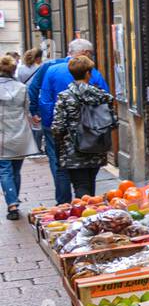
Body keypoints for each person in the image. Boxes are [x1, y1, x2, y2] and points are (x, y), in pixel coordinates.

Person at [29, 38, 106, 206]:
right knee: (88, 168)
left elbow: (42, 95)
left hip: (59, 129)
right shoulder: (95, 75)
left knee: (60, 165)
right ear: (86, 54)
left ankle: (63, 202)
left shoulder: (52, 70)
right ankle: (86, 201)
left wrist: (45, 118)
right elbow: (106, 105)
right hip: (89, 132)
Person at [50, 55, 116, 200]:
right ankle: (90, 211)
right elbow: (113, 122)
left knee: (81, 186)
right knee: (89, 183)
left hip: (74, 150)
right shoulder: (103, 96)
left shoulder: (65, 97)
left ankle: (85, 216)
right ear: (88, 73)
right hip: (97, 148)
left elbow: (58, 127)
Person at [0, 54, 38, 219]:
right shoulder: (22, 88)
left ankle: (12, 203)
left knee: (4, 170)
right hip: (20, 133)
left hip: (2, 134)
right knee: (16, 169)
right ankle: (13, 199)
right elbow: (26, 109)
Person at [15, 49, 43, 154]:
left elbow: (18, 83)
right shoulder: (40, 68)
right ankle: (37, 146)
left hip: (24, 96)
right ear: (37, 58)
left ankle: (29, 146)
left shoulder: (21, 69)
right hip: (36, 96)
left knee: (28, 121)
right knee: (37, 121)